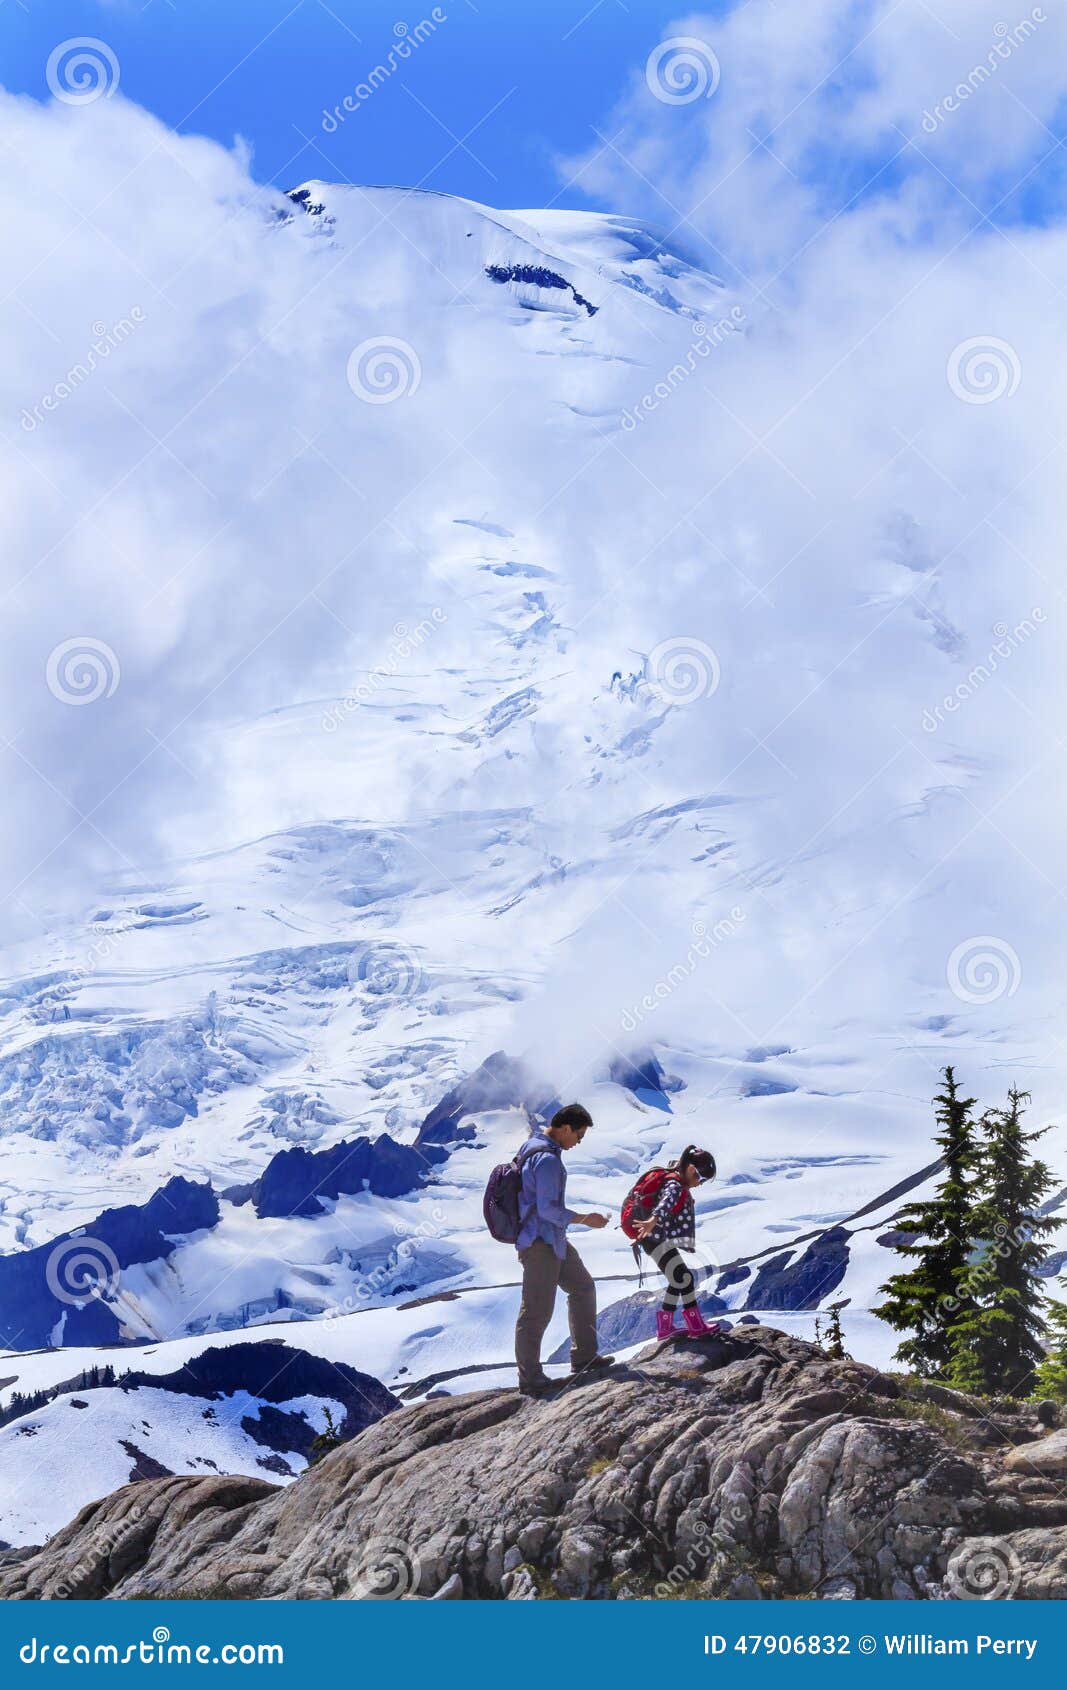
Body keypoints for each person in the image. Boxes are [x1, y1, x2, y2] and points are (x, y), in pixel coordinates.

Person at [514, 1102, 613, 1397]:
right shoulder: (548, 1160)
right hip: (540, 1243)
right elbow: (547, 1209)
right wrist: (586, 1219)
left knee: (583, 1287)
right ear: (566, 1128)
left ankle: (584, 1358)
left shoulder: (531, 1145)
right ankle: (530, 1378)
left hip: (552, 1239)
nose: (578, 1142)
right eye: (579, 1136)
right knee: (536, 1310)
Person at [630, 1145, 720, 1339]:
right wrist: (653, 1220)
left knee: (677, 1278)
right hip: (654, 1238)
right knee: (684, 1278)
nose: (700, 1183)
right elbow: (667, 1201)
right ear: (690, 1169)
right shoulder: (675, 1185)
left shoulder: (674, 1176)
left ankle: (665, 1327)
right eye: (700, 1178)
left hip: (654, 1239)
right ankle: (695, 1326)